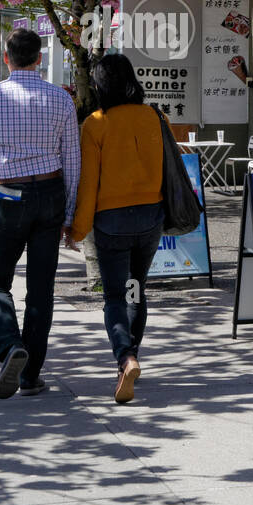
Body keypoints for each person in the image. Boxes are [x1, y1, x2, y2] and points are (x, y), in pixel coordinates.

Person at [0, 28, 80, 400]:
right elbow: (72, 161)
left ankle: (10, 344)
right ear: (40, 58)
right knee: (41, 289)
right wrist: (70, 212)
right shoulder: (61, 98)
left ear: (5, 59)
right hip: (50, 191)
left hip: (8, 193)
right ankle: (30, 376)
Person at [69, 55, 164, 405]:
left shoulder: (95, 124)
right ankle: (132, 357)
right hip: (150, 216)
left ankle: (125, 357)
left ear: (100, 86)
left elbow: (88, 184)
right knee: (136, 288)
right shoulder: (155, 116)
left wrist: (77, 229)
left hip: (112, 221)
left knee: (113, 296)